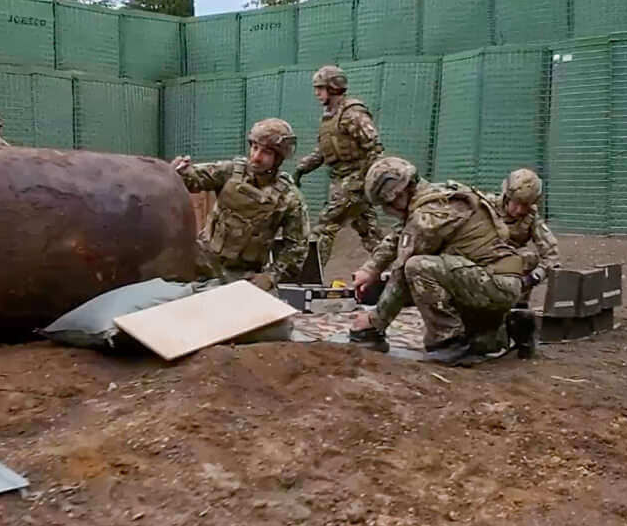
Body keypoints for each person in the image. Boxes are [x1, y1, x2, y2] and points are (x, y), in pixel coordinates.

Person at [346, 157, 527, 365]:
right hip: (493, 280)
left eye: (387, 204)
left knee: (417, 267)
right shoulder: (436, 197)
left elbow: (402, 270)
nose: (389, 210)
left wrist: (374, 321)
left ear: (398, 195)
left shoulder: (427, 216)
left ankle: (448, 342)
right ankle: (510, 329)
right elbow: (401, 233)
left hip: (493, 283)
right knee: (480, 342)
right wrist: (371, 269)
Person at [171, 118, 310, 291]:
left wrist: (270, 276)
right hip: (203, 262)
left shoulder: (289, 197)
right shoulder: (230, 171)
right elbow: (196, 178)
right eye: (254, 147)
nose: (256, 157)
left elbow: (297, 248)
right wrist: (180, 172)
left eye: (266, 152)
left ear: (278, 158)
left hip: (244, 276)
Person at [292, 65, 385, 268]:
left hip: (354, 182)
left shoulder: (352, 113)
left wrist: (361, 181)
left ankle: (309, 274)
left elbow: (375, 148)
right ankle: (391, 270)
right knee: (370, 232)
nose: (317, 93)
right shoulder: (330, 117)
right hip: (342, 181)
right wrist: (302, 168)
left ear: (333, 87)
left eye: (320, 88)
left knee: (325, 225)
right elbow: (324, 151)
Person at [487, 167, 559, 293]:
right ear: (507, 197)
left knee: (528, 258)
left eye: (525, 205)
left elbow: (552, 255)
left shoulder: (531, 218)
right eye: (516, 203)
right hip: (485, 260)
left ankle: (518, 303)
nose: (520, 210)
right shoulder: (487, 209)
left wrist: (534, 277)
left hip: (512, 268)